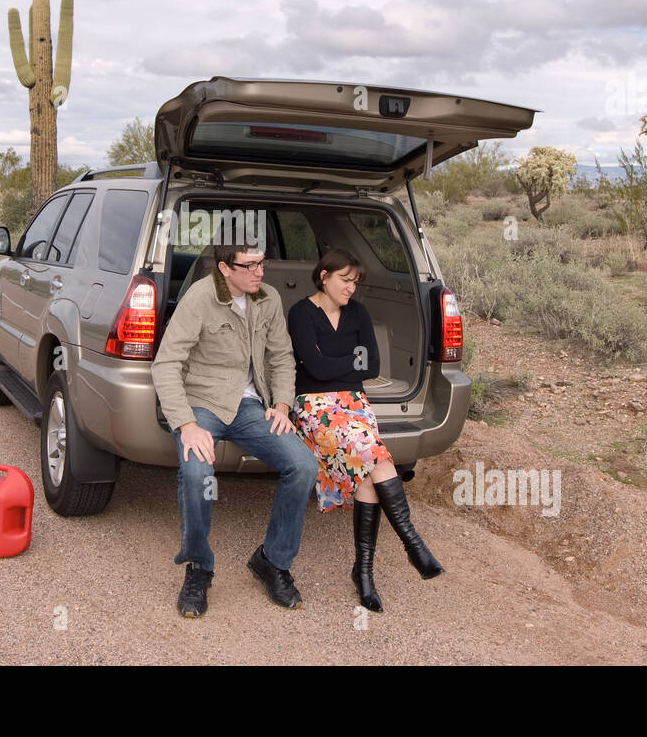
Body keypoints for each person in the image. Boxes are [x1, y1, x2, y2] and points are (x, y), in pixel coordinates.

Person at [152, 242, 317, 618]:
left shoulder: (269, 298)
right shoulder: (200, 297)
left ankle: (272, 561)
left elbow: (281, 356)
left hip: (249, 406)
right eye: (250, 265)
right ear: (225, 269)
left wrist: (280, 404)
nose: (260, 272)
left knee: (303, 465)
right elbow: (166, 364)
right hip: (202, 405)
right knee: (197, 474)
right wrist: (187, 424)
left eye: (262, 262)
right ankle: (199, 567)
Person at [287, 248, 444, 613]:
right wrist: (344, 365)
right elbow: (316, 368)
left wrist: (334, 365)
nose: (351, 289)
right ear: (323, 276)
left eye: (356, 282)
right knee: (376, 458)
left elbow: (371, 362)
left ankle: (365, 571)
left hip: (355, 405)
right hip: (315, 407)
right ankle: (411, 543)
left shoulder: (357, 312)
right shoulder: (300, 313)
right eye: (345, 280)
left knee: (372, 472)